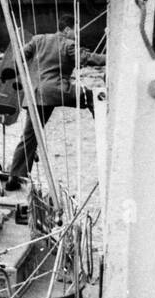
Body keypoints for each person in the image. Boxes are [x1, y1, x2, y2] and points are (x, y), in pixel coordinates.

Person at [6, 16, 106, 185]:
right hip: (56, 91)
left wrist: (24, 72)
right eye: (75, 29)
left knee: (29, 137)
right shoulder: (68, 44)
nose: (77, 34)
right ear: (67, 29)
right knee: (91, 96)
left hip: (34, 94)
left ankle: (15, 175)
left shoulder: (38, 40)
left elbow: (20, 55)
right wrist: (109, 59)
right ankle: (103, 125)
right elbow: (86, 59)